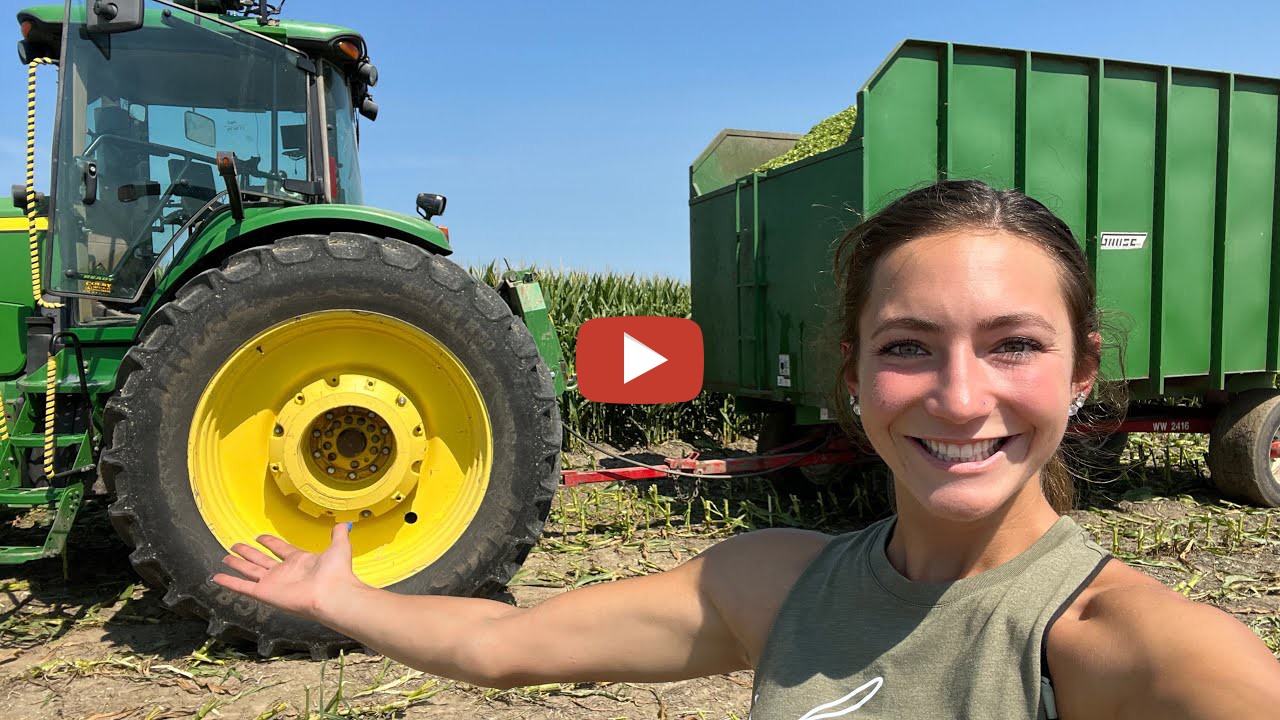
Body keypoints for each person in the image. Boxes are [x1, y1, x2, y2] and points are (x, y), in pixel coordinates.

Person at [213, 180, 1280, 719]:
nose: (960, 398)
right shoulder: (773, 583)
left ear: (1081, 372)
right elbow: (508, 650)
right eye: (908, 347)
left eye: (1013, 346)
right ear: (853, 378)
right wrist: (345, 602)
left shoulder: (1123, 648)